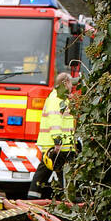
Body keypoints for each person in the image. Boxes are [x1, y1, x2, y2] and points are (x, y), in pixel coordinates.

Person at [31, 70, 77, 198]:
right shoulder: (57, 100)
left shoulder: (60, 98)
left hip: (61, 145)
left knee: (46, 172)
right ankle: (65, 199)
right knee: (58, 173)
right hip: (57, 146)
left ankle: (34, 197)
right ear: (65, 83)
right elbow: (55, 121)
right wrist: (57, 141)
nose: (71, 87)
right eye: (70, 83)